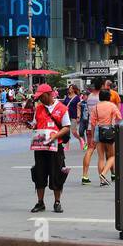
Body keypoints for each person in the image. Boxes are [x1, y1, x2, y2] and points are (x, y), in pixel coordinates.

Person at [29, 84, 69, 214]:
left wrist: (55, 136)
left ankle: (57, 202)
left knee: (57, 175)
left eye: (41, 97)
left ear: (48, 94)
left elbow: (66, 127)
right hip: (40, 147)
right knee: (39, 174)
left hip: (55, 147)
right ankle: (40, 202)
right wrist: (33, 128)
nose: (39, 100)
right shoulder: (39, 108)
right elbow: (35, 125)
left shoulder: (61, 108)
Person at [88, 88, 121, 186]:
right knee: (112, 156)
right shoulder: (112, 106)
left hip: (98, 130)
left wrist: (93, 137)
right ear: (109, 97)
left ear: (100, 97)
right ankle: (104, 173)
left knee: (101, 157)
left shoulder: (96, 107)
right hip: (109, 131)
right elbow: (119, 117)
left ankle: (102, 181)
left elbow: (93, 123)